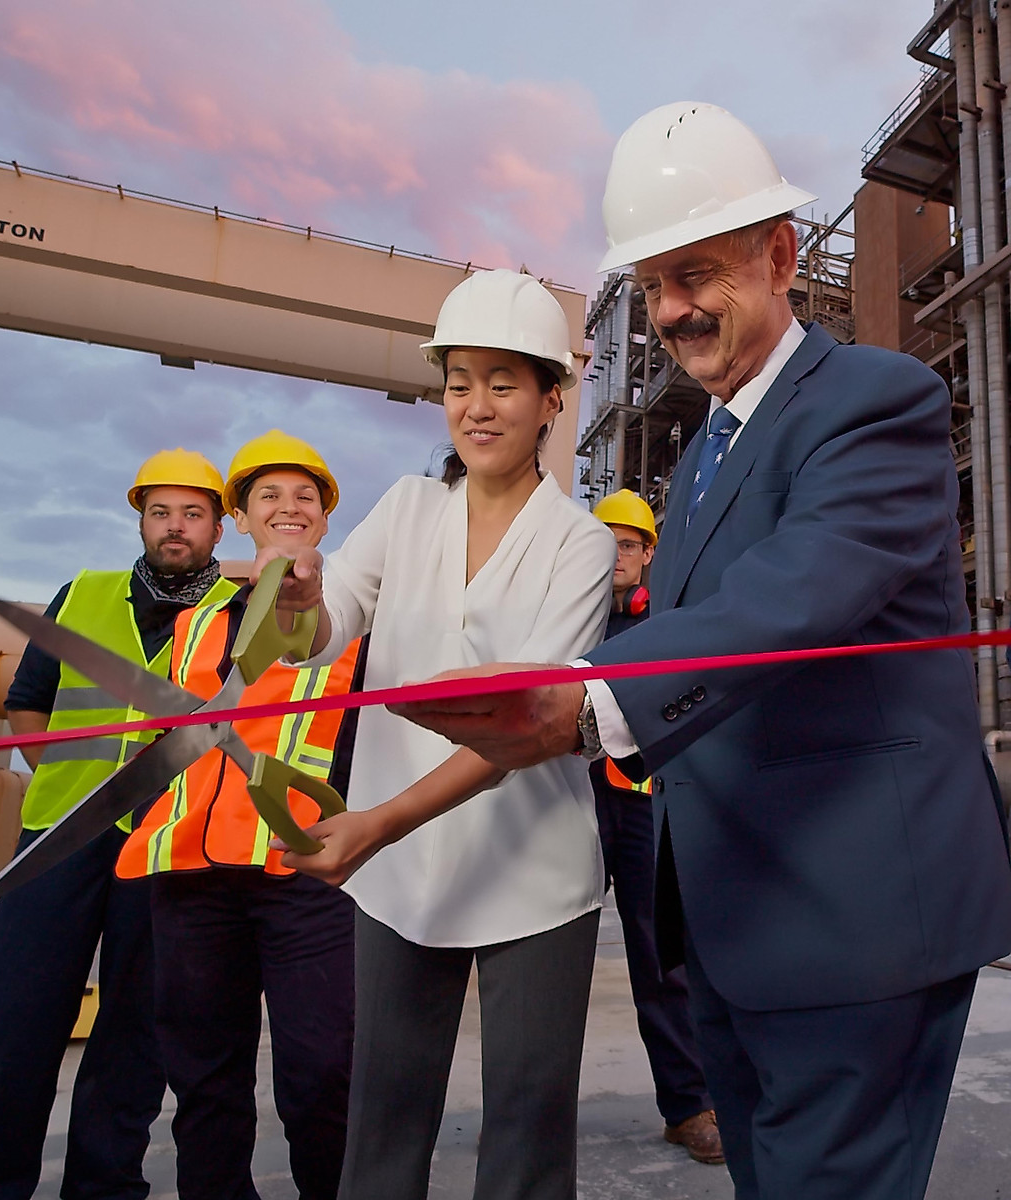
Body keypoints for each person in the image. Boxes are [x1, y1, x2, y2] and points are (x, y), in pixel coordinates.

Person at [386, 103, 1011, 1200]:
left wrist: (582, 707)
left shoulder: (875, 403)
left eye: (695, 273)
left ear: (779, 258)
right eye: (654, 285)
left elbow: (797, 594)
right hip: (733, 928)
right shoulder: (704, 463)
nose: (672, 310)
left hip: (853, 926)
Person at [265, 268, 615, 1200]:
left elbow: (527, 730)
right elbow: (327, 621)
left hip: (534, 871)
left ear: (550, 398)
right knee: (382, 1120)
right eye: (460, 381)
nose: (477, 406)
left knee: (529, 1133)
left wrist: (375, 822)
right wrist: (297, 598)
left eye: (505, 382)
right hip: (403, 882)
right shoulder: (409, 509)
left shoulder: (578, 543)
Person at [0, 449, 235, 1200]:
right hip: (59, 840)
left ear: (218, 524)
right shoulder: (83, 594)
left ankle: (104, 1189)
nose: (175, 528)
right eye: (160, 512)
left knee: (136, 1037)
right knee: (14, 1020)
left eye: (192, 513)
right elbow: (27, 698)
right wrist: (63, 773)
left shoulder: (234, 616)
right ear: (140, 518)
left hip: (166, 845)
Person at [117, 431, 364, 1200]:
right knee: (203, 1078)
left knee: (323, 1075)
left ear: (323, 519)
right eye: (269, 497)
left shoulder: (355, 621)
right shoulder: (195, 626)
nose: (288, 508)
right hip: (192, 874)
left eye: (304, 497)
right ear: (242, 519)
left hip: (307, 869)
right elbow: (158, 739)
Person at [589, 489, 721, 1166]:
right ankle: (535, 1109)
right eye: (603, 542)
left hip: (641, 805)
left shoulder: (665, 620)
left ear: (647, 556)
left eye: (629, 544)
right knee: (545, 958)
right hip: (569, 806)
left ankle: (689, 1103)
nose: (615, 555)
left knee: (660, 955)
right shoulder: (563, 622)